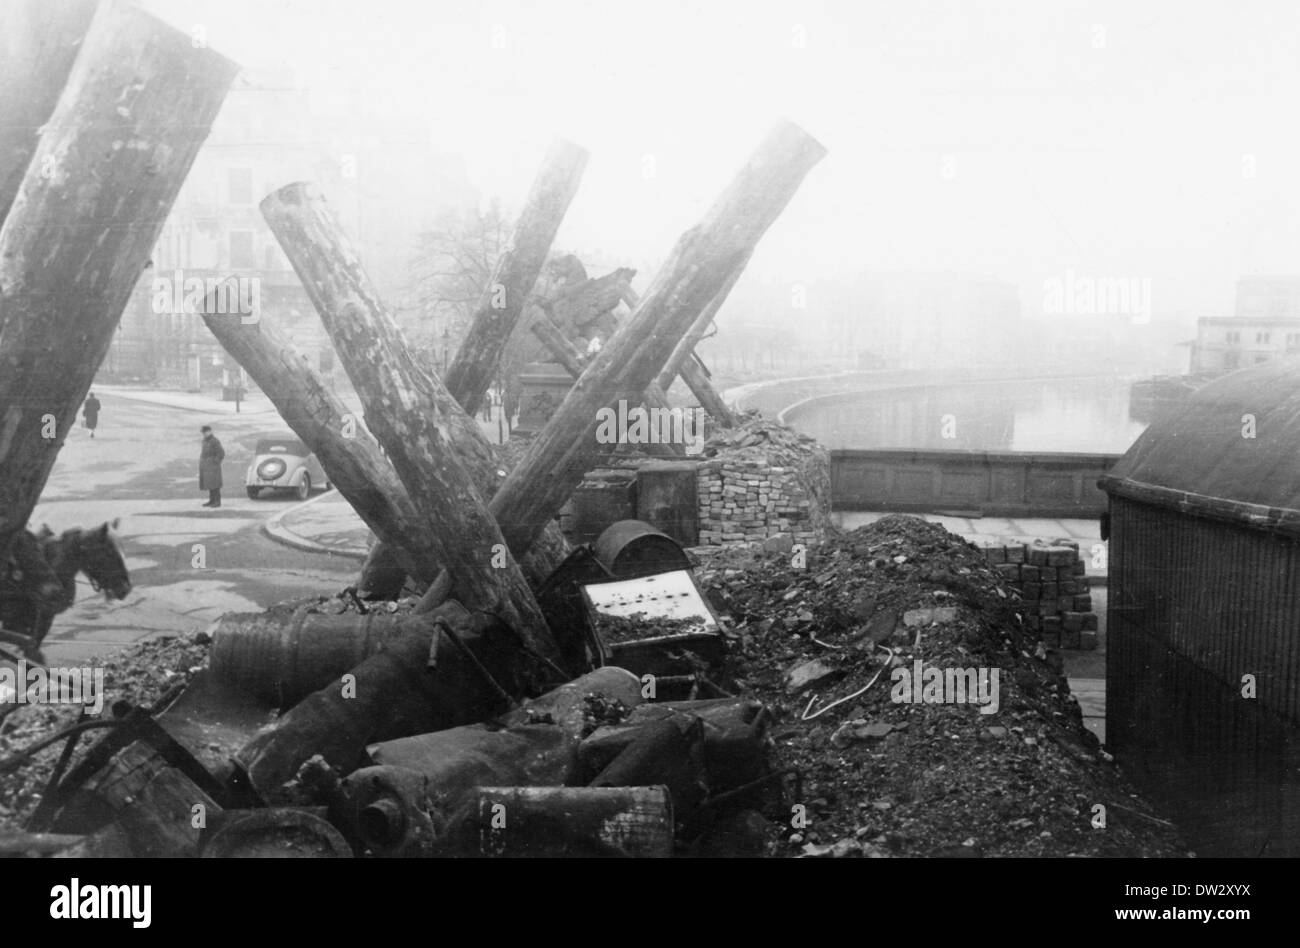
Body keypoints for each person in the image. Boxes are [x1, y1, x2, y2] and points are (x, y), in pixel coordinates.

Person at [199, 425, 225, 508]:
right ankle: (212, 500)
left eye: (205, 432)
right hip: (206, 466)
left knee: (215, 484)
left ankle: (217, 502)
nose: (204, 434)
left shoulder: (214, 441)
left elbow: (221, 453)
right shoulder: (204, 441)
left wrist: (215, 462)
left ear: (210, 431)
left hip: (213, 467)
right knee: (209, 484)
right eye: (203, 432)